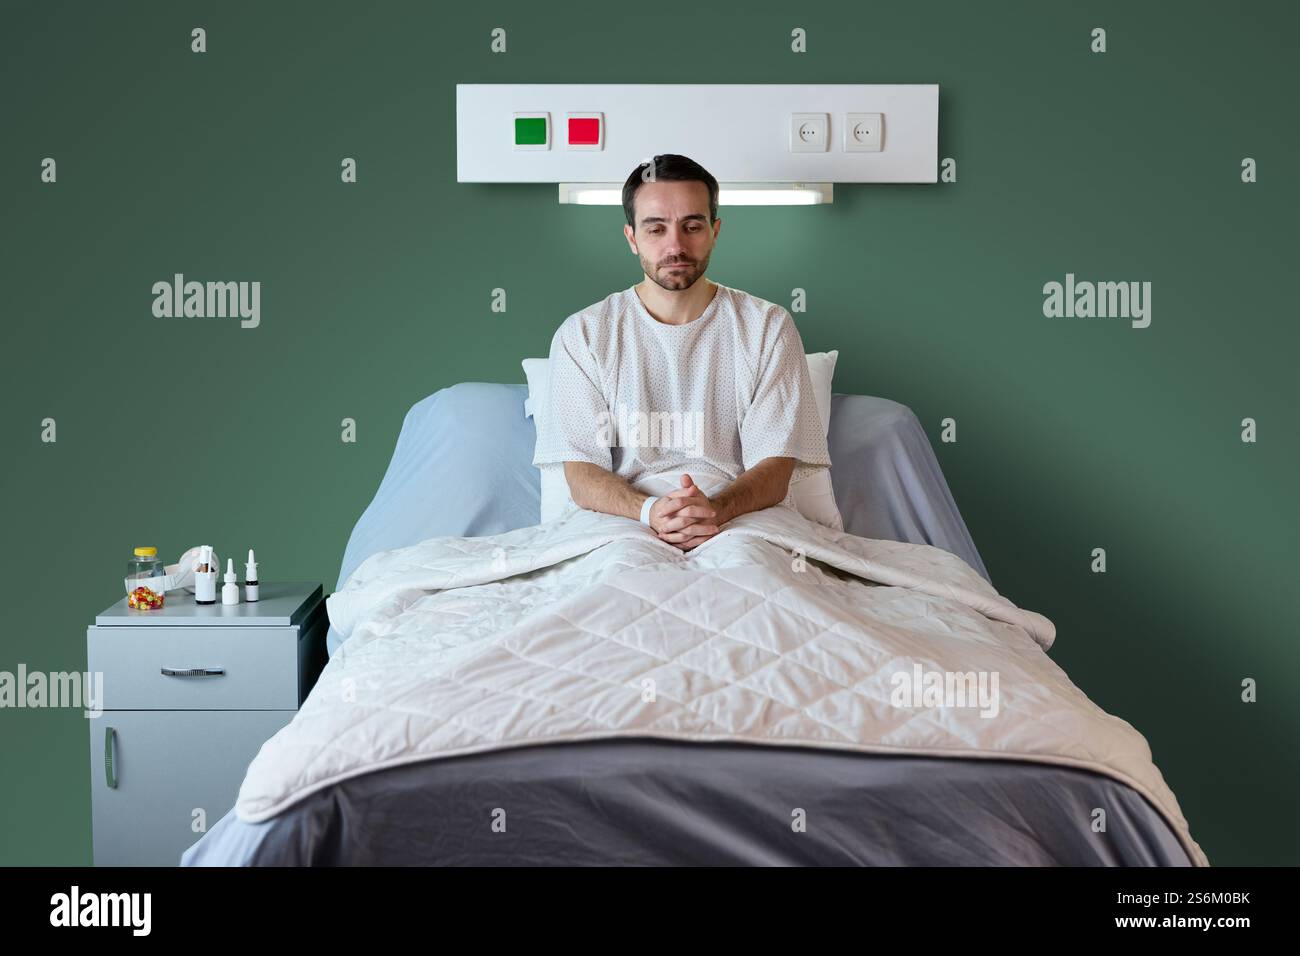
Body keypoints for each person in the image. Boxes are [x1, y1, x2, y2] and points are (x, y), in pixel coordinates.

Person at [534, 154, 829, 551]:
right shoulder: (584, 334)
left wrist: (714, 509)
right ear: (631, 237)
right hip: (624, 521)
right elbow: (581, 473)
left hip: (738, 518)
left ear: (714, 231)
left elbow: (774, 468)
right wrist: (650, 510)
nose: (675, 245)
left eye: (692, 226)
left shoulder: (768, 327)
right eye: (656, 229)